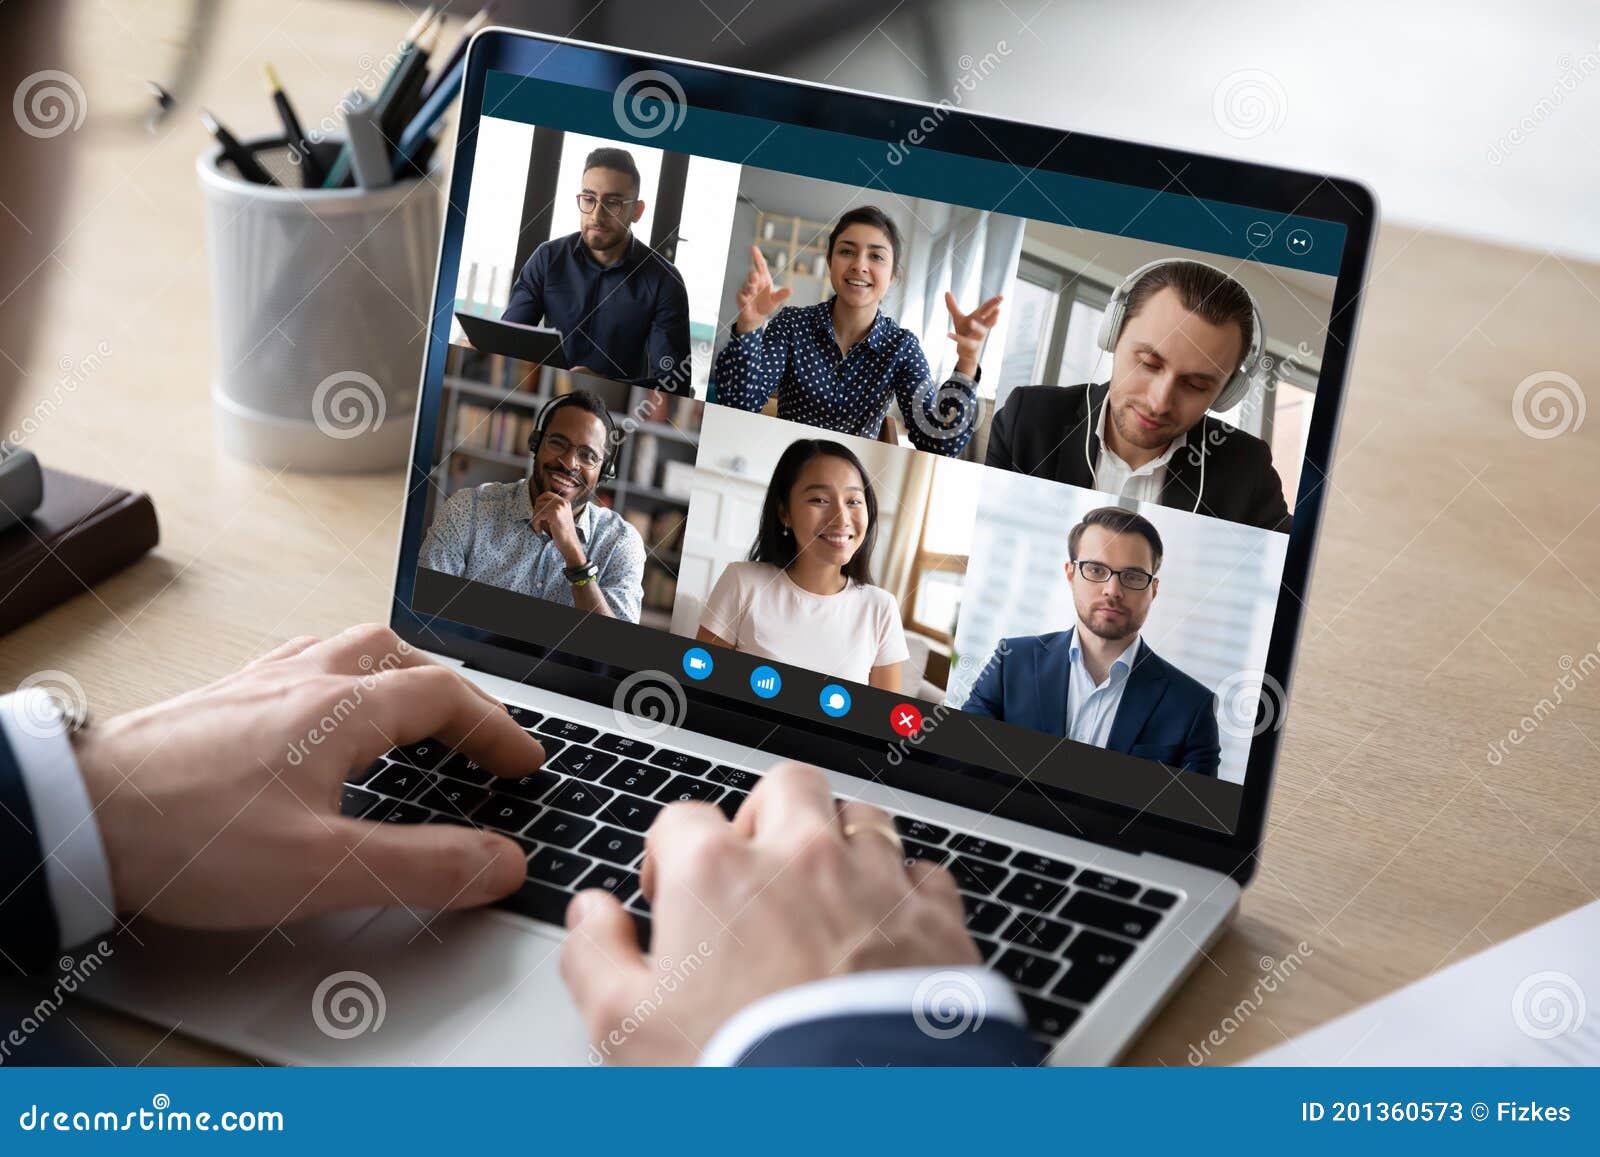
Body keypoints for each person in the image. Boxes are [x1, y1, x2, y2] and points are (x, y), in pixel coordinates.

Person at [0, 4, 1036, 1064]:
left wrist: (56, 809)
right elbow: (726, 385)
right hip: (535, 716)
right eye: (849, 251)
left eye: (877, 256)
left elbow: (937, 437)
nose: (840, 514)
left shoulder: (850, 365)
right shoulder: (657, 401)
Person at [985, 260, 1291, 532]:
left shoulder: (1247, 468)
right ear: (1113, 335)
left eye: (1196, 385)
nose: (1159, 402)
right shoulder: (1028, 418)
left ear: (1227, 393)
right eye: (1148, 363)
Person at [711, 206, 1002, 456]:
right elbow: (737, 405)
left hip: (852, 482)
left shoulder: (902, 347)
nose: (859, 265)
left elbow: (937, 445)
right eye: (847, 251)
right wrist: (750, 323)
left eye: (876, 257)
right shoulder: (791, 324)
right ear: (829, 262)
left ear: (893, 275)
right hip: (783, 467)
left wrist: (967, 362)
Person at [963, 507, 1221, 776]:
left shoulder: (1192, 706)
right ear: (1071, 574)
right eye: (1096, 570)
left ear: (1153, 590)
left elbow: (1191, 815)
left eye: (1132, 577)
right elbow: (960, 761)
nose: (1113, 590)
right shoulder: (1011, 660)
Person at [696, 439, 908, 690]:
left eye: (853, 501)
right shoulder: (741, 581)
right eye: (819, 500)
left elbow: (883, 721)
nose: (841, 518)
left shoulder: (881, 608)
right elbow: (700, 683)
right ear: (784, 512)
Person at [419, 390, 646, 622]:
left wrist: (574, 555)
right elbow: (423, 609)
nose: (569, 463)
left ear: (604, 473)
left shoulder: (621, 543)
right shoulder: (468, 509)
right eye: (558, 443)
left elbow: (614, 649)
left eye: (588, 456)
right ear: (535, 445)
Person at [501, 147, 690, 387]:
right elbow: (507, 342)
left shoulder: (665, 281)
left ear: (637, 211)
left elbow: (674, 383)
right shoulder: (547, 258)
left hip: (618, 411)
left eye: (613, 203)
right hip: (544, 395)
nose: (597, 216)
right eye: (589, 199)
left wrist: (604, 383)